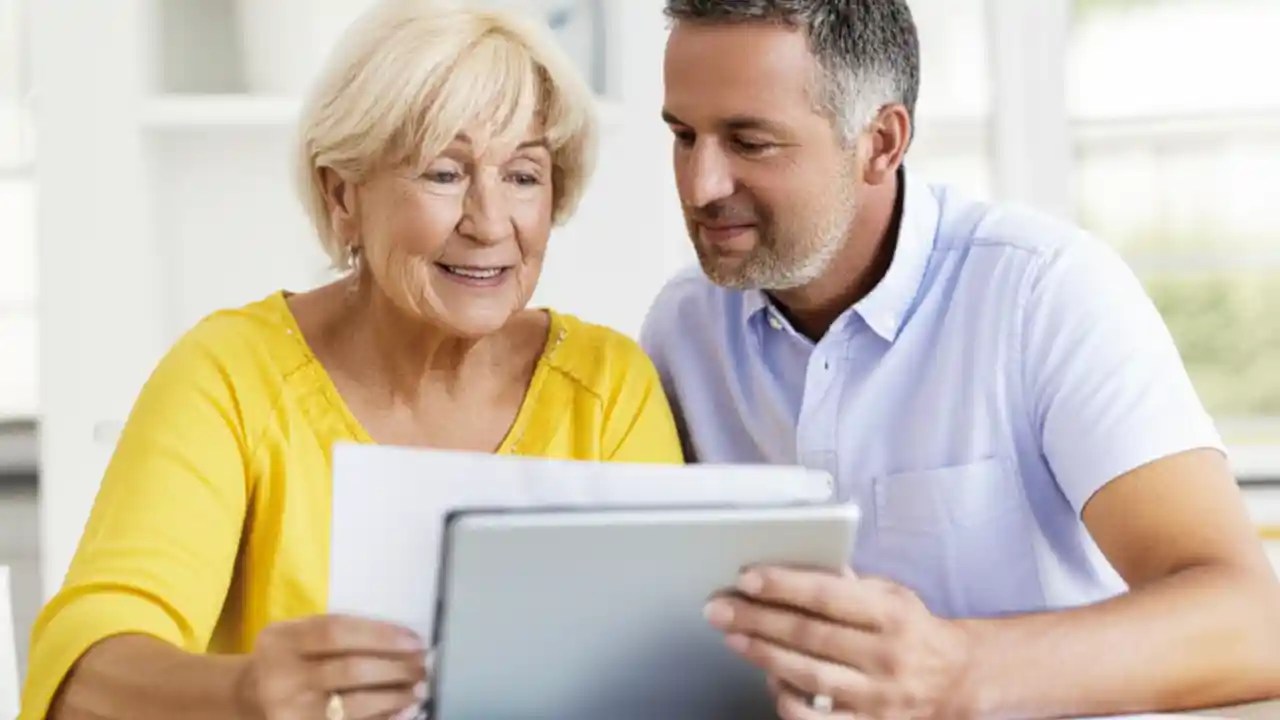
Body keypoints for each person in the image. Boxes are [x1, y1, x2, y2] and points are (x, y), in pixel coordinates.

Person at [20, 2, 682, 718]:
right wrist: (244, 692)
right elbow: (82, 678)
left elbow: (671, 672)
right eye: (443, 173)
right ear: (343, 195)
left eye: (523, 176)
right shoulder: (230, 375)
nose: (491, 223)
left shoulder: (608, 389)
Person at [641, 1, 1280, 718]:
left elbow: (1252, 624)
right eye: (683, 136)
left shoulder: (1041, 292)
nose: (702, 186)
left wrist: (954, 670)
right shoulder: (683, 327)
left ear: (881, 141)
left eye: (750, 142)